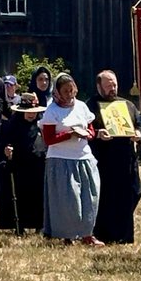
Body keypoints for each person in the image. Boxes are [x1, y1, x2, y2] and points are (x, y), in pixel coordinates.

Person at [40, 73, 102, 245]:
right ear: (58, 92)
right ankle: (68, 235)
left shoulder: (81, 107)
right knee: (68, 201)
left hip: (83, 157)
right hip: (61, 159)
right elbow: (49, 139)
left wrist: (87, 134)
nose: (69, 94)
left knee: (89, 197)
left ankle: (87, 234)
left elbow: (91, 130)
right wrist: (69, 134)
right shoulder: (52, 111)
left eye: (71, 90)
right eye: (65, 91)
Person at [87, 70, 141, 244]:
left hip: (126, 157)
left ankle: (124, 234)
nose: (113, 88)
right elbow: (85, 128)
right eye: (108, 85)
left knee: (134, 192)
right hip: (103, 158)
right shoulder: (90, 105)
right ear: (99, 86)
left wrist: (139, 133)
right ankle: (105, 234)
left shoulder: (127, 105)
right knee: (107, 197)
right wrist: (97, 133)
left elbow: (139, 122)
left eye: (115, 84)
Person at [0, 95, 46, 236]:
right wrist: (7, 149)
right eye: (28, 111)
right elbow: (3, 142)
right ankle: (19, 225)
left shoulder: (41, 124)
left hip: (38, 165)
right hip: (19, 166)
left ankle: (39, 224)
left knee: (38, 196)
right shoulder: (13, 125)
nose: (31, 114)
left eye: (34, 111)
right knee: (19, 196)